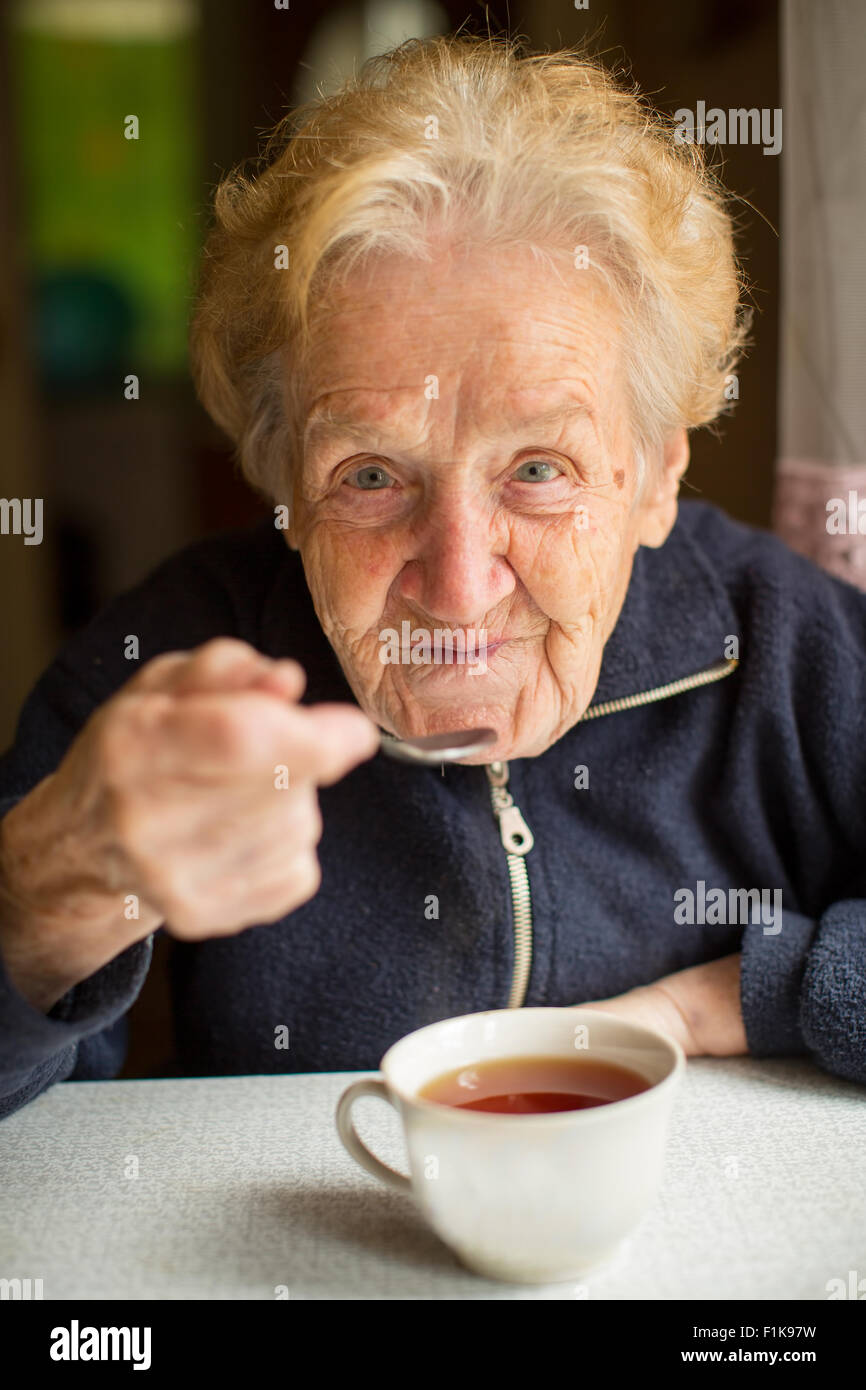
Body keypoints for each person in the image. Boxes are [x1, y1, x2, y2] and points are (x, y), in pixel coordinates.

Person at [1, 36, 864, 1123]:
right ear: (280, 481)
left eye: (538, 470)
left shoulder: (786, 649)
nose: (455, 587)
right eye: (368, 476)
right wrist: (37, 900)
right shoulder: (176, 664)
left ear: (654, 476)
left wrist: (727, 1003)